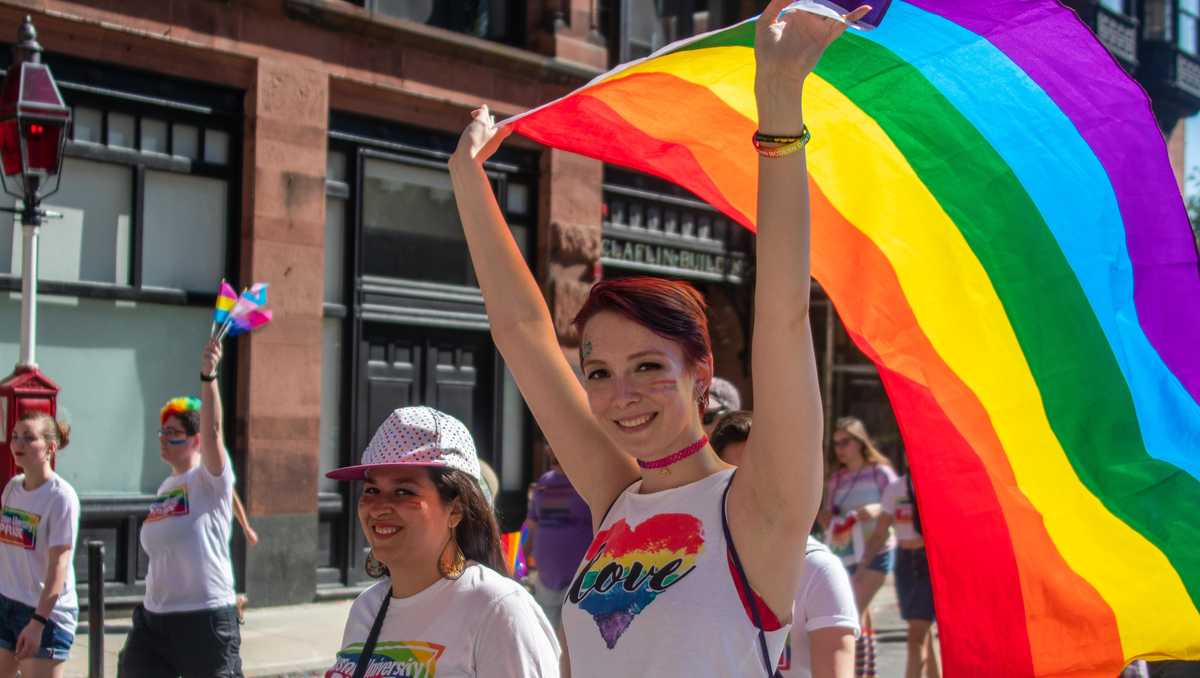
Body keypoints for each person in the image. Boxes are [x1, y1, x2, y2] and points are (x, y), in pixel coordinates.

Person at [448, 3, 870, 674]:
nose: (622, 394)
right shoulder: (617, 495)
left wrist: (779, 100)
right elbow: (522, 331)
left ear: (700, 373)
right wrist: (468, 180)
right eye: (599, 373)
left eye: (648, 366)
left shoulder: (758, 506)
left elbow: (785, 313)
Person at [324, 406, 560, 677]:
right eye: (372, 490)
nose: (378, 508)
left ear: (456, 510)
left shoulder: (498, 609)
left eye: (403, 491)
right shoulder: (366, 607)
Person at [118, 338, 242, 677]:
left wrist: (209, 375)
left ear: (195, 440)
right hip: (155, 619)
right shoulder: (166, 488)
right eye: (162, 431)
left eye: (173, 433)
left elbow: (214, 431)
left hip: (204, 617)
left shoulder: (209, 478)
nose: (163, 438)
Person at [713, 412, 858, 678]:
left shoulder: (818, 569)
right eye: (735, 479)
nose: (751, 492)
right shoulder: (699, 564)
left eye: (764, 477)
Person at [0, 411, 79, 678]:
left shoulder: (61, 497)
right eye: (14, 436)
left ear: (50, 448)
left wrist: (37, 623)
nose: (18, 444)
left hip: (45, 615)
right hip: (6, 603)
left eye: (29, 438)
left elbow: (59, 565)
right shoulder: (12, 488)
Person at [817, 417, 897, 678]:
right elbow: (829, 513)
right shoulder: (837, 479)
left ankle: (854, 672)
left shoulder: (880, 473)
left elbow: (900, 504)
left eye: (845, 442)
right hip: (846, 555)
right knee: (858, 615)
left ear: (860, 442)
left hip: (877, 551)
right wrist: (826, 518)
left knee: (851, 613)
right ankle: (866, 672)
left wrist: (877, 509)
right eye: (836, 443)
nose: (839, 448)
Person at [859, 473, 939, 678]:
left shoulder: (937, 484)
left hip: (928, 561)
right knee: (921, 631)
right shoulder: (896, 488)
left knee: (916, 636)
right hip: (905, 563)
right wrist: (863, 567)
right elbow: (880, 533)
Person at [525, 444, 592, 630]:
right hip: (545, 579)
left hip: (580, 582)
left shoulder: (588, 483)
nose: (549, 449)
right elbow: (532, 525)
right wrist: (519, 560)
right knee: (546, 638)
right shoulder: (544, 483)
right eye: (549, 444)